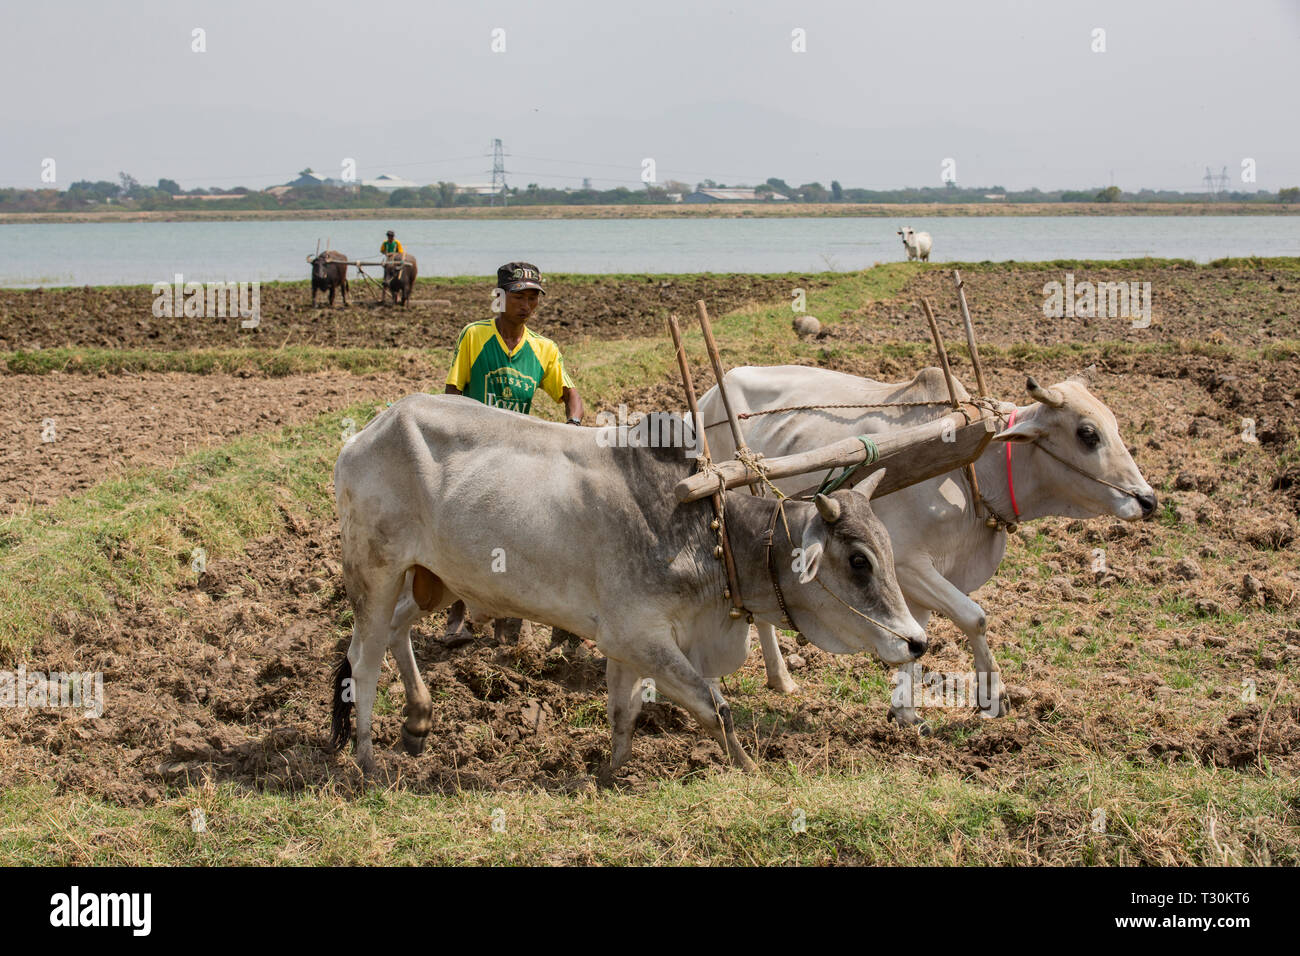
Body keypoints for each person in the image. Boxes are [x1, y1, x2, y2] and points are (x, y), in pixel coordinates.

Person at [441, 261, 584, 646]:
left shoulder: (543, 349)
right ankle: (456, 614)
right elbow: (453, 392)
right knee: (461, 531)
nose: (526, 304)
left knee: (517, 532)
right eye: (518, 295)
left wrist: (572, 427)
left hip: (513, 452)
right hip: (473, 447)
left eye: (533, 297)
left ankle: (508, 621)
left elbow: (570, 394)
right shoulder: (474, 336)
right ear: (499, 297)